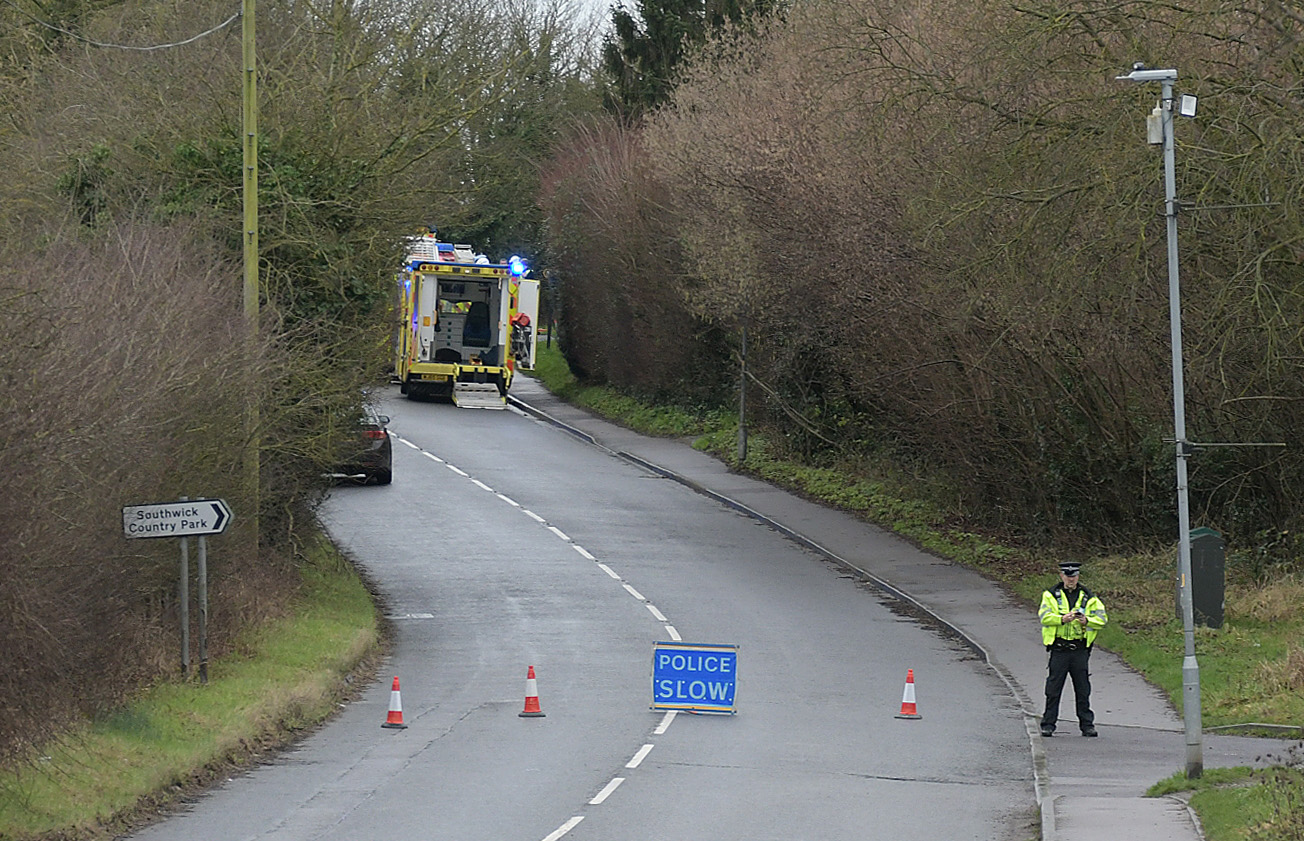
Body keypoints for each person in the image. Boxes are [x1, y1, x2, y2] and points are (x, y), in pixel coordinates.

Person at [1039, 561, 1107, 737]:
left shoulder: (1089, 596)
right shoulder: (1050, 595)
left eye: (1074, 576)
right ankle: (1048, 724)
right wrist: (1062, 619)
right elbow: (1044, 617)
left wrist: (1088, 621)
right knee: (1053, 689)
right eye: (1068, 576)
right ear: (1061, 576)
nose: (1071, 580)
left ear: (1078, 577)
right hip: (1059, 648)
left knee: (1082, 689)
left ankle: (1087, 725)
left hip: (1079, 650)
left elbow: (1102, 618)